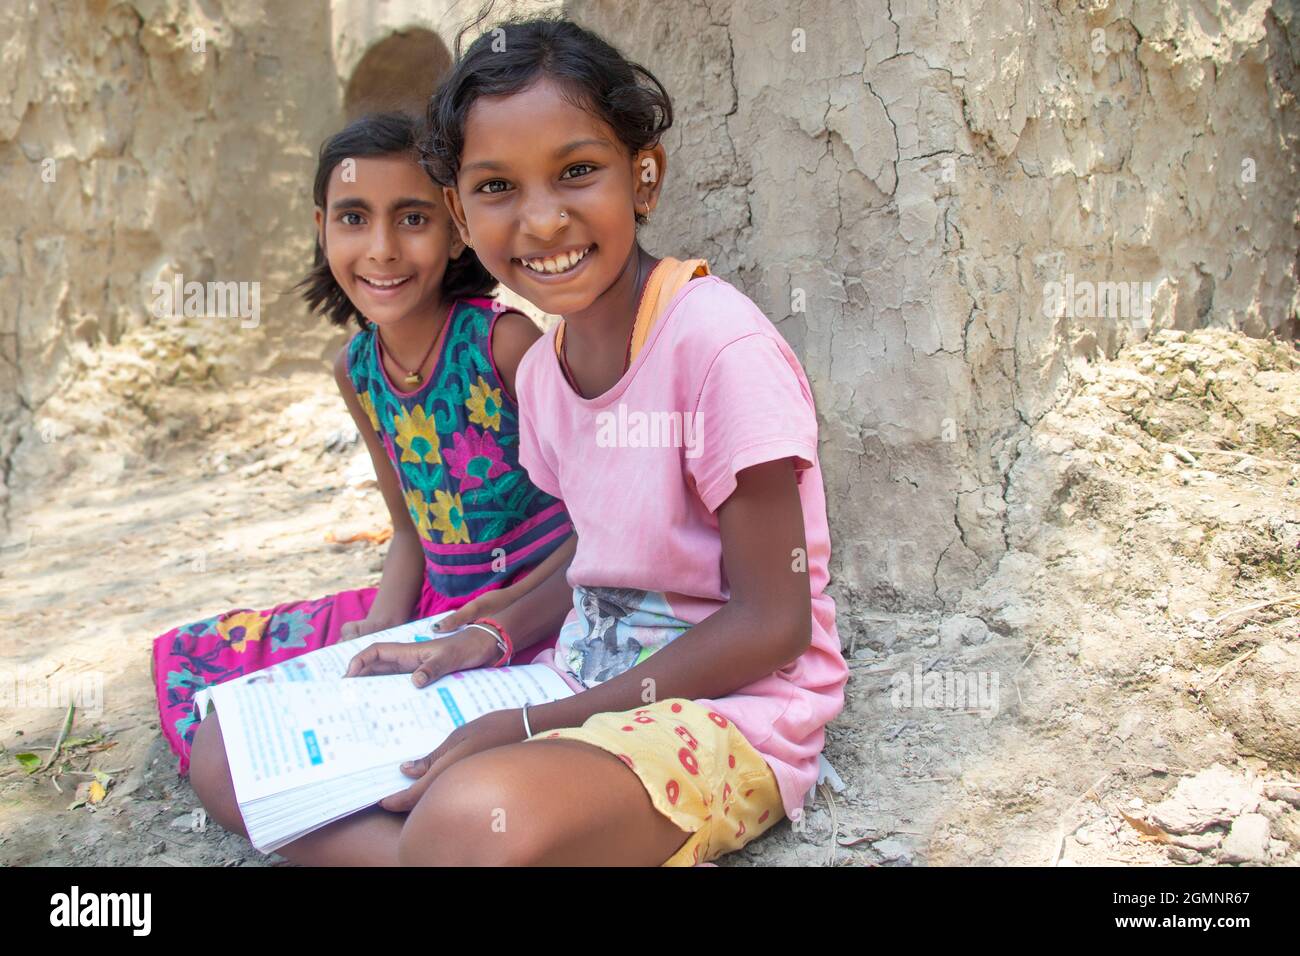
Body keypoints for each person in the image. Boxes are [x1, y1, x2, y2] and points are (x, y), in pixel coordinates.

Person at [191, 14, 847, 867]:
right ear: (461, 213)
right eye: (498, 188)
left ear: (643, 178)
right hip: (573, 682)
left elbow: (775, 621)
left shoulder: (719, 346)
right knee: (224, 752)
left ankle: (432, 850)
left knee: (469, 820)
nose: (541, 221)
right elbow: (591, 553)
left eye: (577, 171)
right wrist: (484, 639)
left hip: (727, 713)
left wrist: (535, 723)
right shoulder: (546, 371)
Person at [152, 111, 574, 776]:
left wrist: (501, 619)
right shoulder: (357, 370)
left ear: (457, 228)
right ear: (321, 229)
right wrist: (384, 619)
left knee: (462, 750)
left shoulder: (502, 344)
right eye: (353, 218)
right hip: (437, 606)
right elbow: (407, 529)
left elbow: (601, 519)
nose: (381, 248)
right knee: (205, 658)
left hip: (548, 599)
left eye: (412, 218)